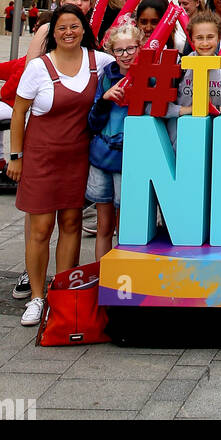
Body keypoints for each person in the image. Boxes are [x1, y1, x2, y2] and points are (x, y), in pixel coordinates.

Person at [6, 5, 114, 326]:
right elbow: (18, 113)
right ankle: (37, 297)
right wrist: (15, 157)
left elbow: (128, 69)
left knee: (71, 225)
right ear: (52, 33)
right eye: (62, 27)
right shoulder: (39, 68)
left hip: (79, 158)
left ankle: (62, 293)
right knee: (40, 230)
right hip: (41, 158)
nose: (69, 32)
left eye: (75, 26)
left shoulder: (101, 62)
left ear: (84, 29)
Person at [86, 20, 141, 260]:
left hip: (129, 159)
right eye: (119, 50)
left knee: (124, 225)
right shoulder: (106, 78)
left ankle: (121, 279)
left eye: (131, 49)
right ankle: (101, 276)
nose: (126, 55)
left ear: (140, 47)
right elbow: (93, 123)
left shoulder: (149, 77)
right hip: (102, 158)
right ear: (111, 52)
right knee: (103, 225)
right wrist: (105, 99)